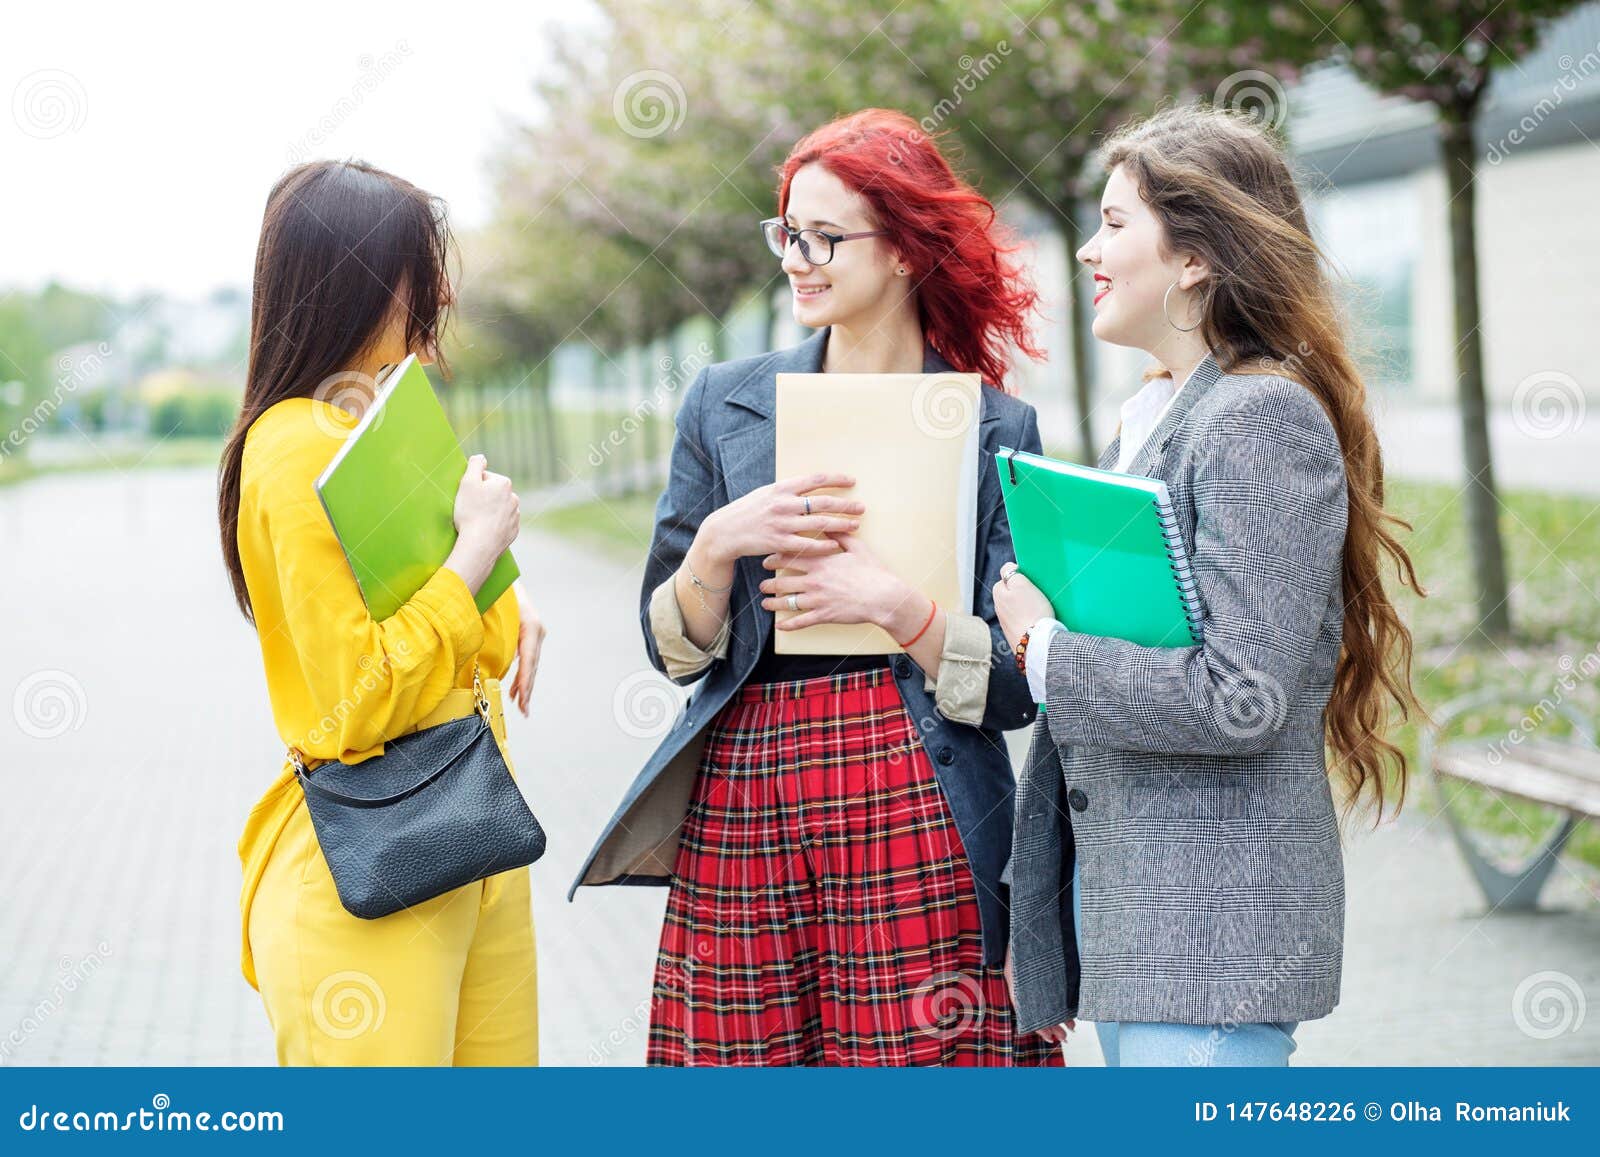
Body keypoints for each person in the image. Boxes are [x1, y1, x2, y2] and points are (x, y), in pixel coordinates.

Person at [570, 109, 1062, 1066]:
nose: (798, 257)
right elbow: (671, 648)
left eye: (825, 237)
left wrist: (895, 606)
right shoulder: (727, 399)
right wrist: (715, 546)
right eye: (787, 233)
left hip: (917, 789)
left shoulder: (995, 426)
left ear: (909, 251)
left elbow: (1016, 684)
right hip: (748, 786)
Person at [998, 105, 1424, 1067]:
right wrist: (1049, 924)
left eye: (1114, 223)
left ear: (1194, 256)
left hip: (1213, 946)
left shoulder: (1258, 415)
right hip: (1141, 936)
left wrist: (1046, 648)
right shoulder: (1152, 421)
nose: (1087, 252)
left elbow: (1242, 697)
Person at [218, 160, 546, 1065]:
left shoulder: (385, 425)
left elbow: (471, 629)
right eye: (417, 267)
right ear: (356, 279)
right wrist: (476, 556)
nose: (438, 292)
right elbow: (355, 700)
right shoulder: (292, 449)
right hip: (371, 868)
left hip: (474, 839)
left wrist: (505, 591)